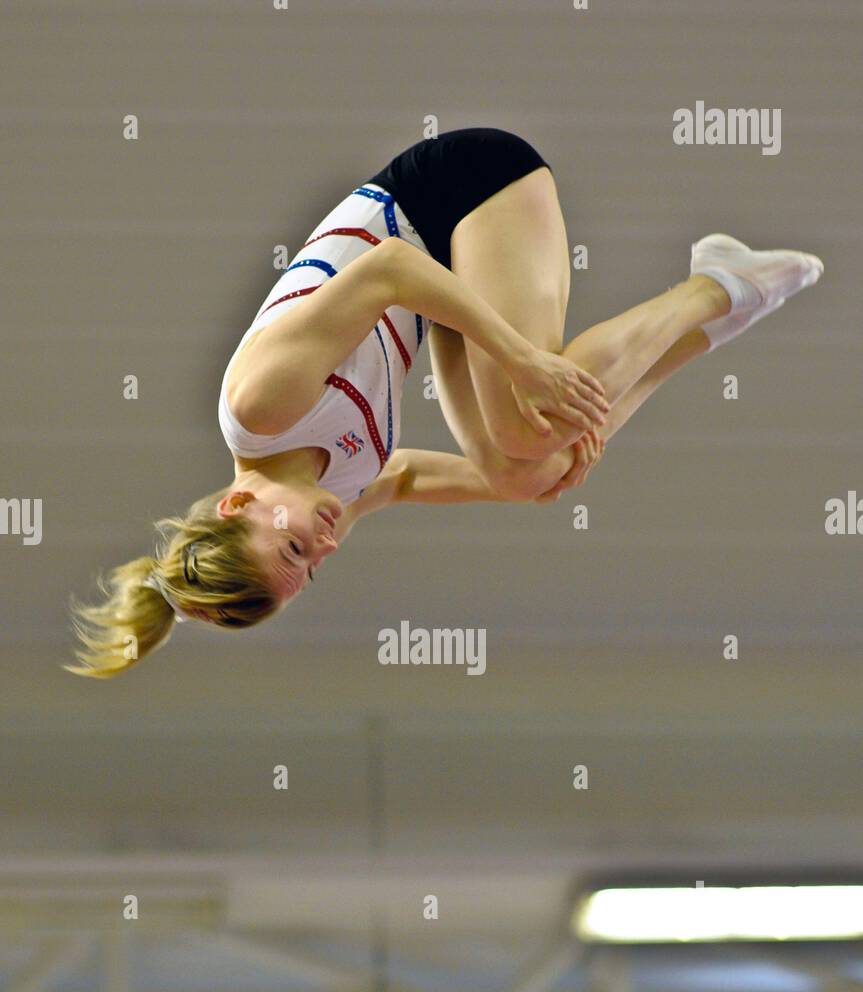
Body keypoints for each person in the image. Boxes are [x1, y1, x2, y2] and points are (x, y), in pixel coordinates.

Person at [65, 128, 822, 677]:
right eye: (313, 567)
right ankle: (716, 317)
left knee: (527, 424)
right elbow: (405, 479)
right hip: (440, 285)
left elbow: (389, 269)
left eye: (294, 546)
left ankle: (713, 288)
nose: (325, 546)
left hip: (457, 190)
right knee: (529, 465)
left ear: (236, 506)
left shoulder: (259, 405)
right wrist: (534, 479)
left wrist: (526, 365)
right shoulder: (323, 499)